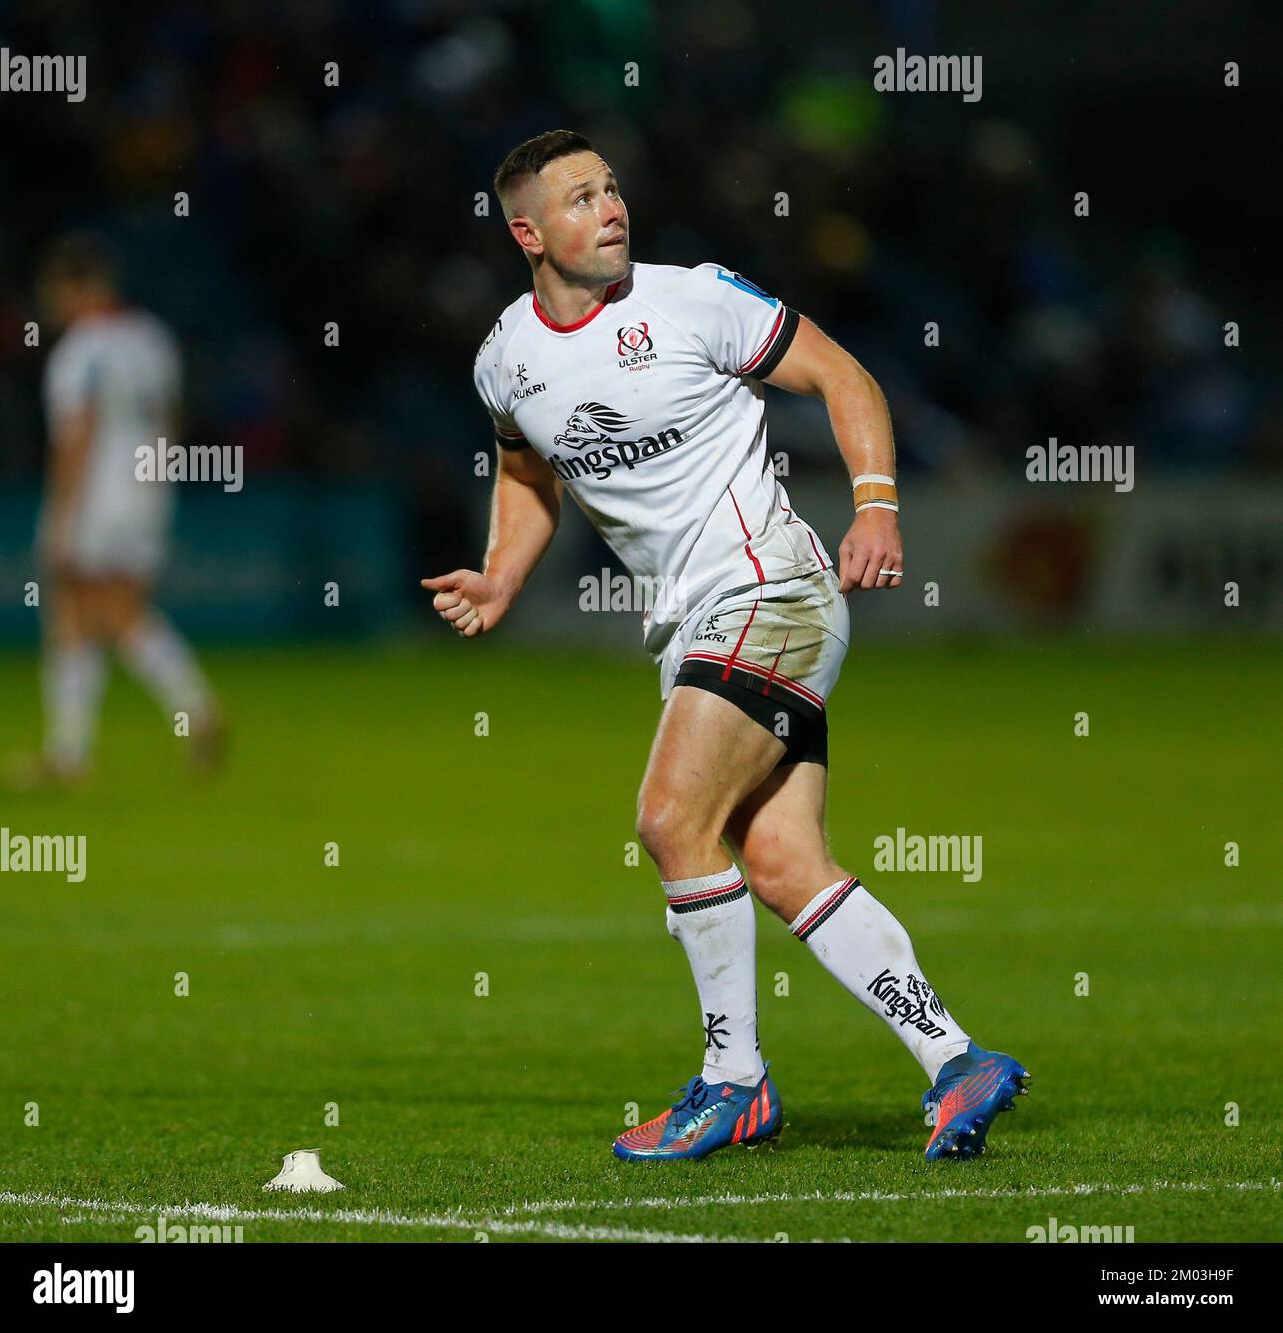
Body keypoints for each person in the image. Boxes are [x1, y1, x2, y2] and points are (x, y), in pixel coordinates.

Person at [422, 131, 1028, 1162]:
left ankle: (733, 1080)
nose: (610, 208)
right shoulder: (505, 361)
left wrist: (876, 508)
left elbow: (845, 378)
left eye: (611, 187)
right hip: (699, 624)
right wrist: (501, 573)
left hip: (771, 592)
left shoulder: (693, 300)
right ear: (526, 232)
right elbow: (528, 476)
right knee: (786, 861)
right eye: (579, 198)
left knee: (668, 819)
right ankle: (955, 1057)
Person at [6, 234, 224, 788]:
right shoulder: (151, 336)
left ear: (75, 285)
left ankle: (82, 750)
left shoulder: (80, 351)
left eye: (54, 289)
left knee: (84, 610)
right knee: (108, 612)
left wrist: (59, 516)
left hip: (98, 494)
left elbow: (76, 437)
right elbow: (173, 417)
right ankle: (78, 750)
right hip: (149, 487)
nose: (50, 303)